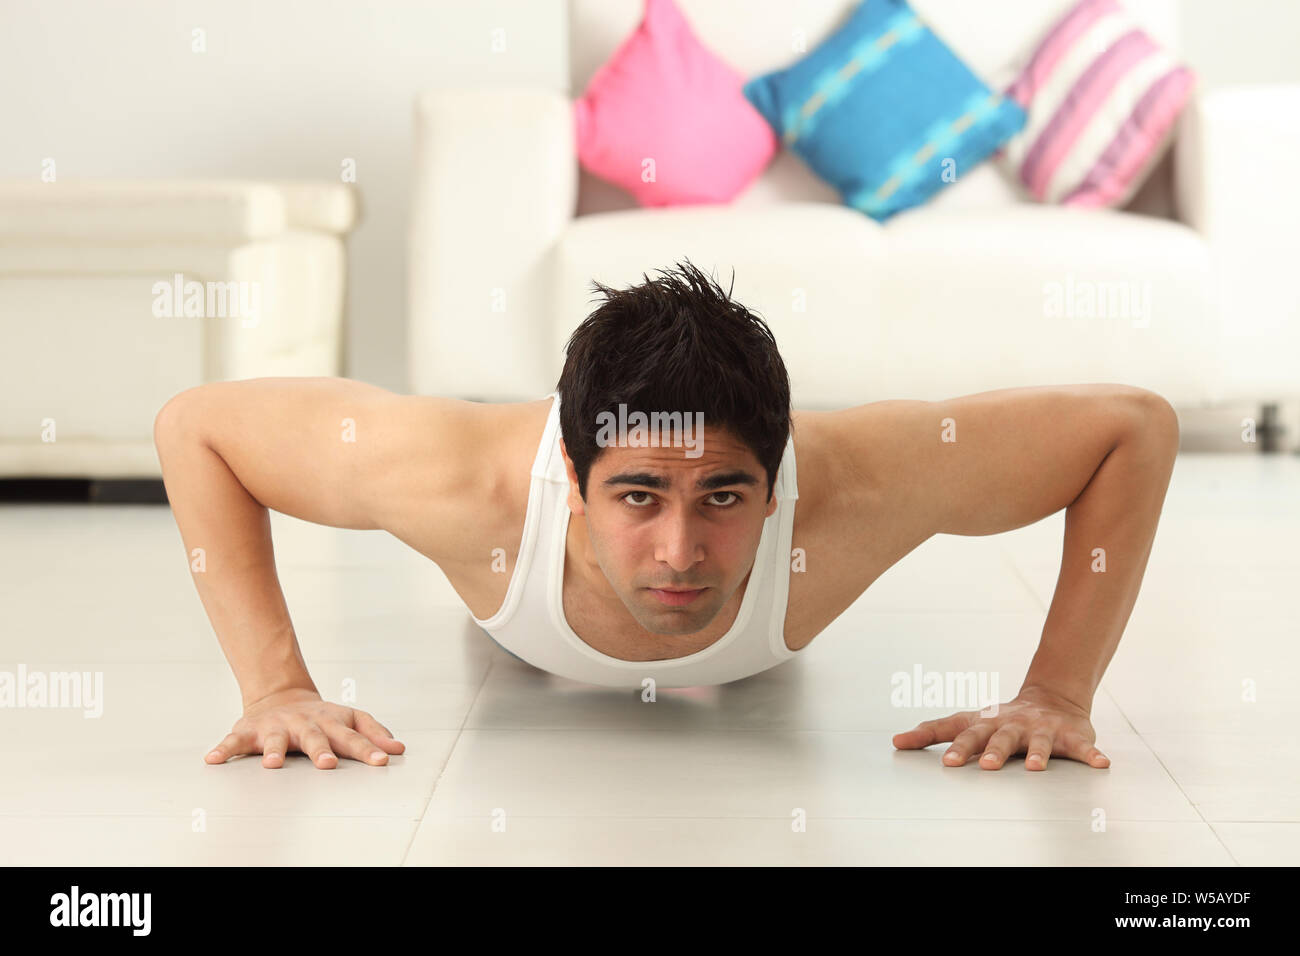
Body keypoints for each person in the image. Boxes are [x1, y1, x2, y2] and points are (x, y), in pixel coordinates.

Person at [153, 259, 1179, 773]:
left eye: (724, 497)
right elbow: (197, 425)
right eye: (638, 495)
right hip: (518, 616)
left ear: (778, 478)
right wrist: (274, 686)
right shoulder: (462, 480)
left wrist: (1056, 691)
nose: (680, 550)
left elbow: (1131, 427)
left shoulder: (860, 480)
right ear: (570, 465)